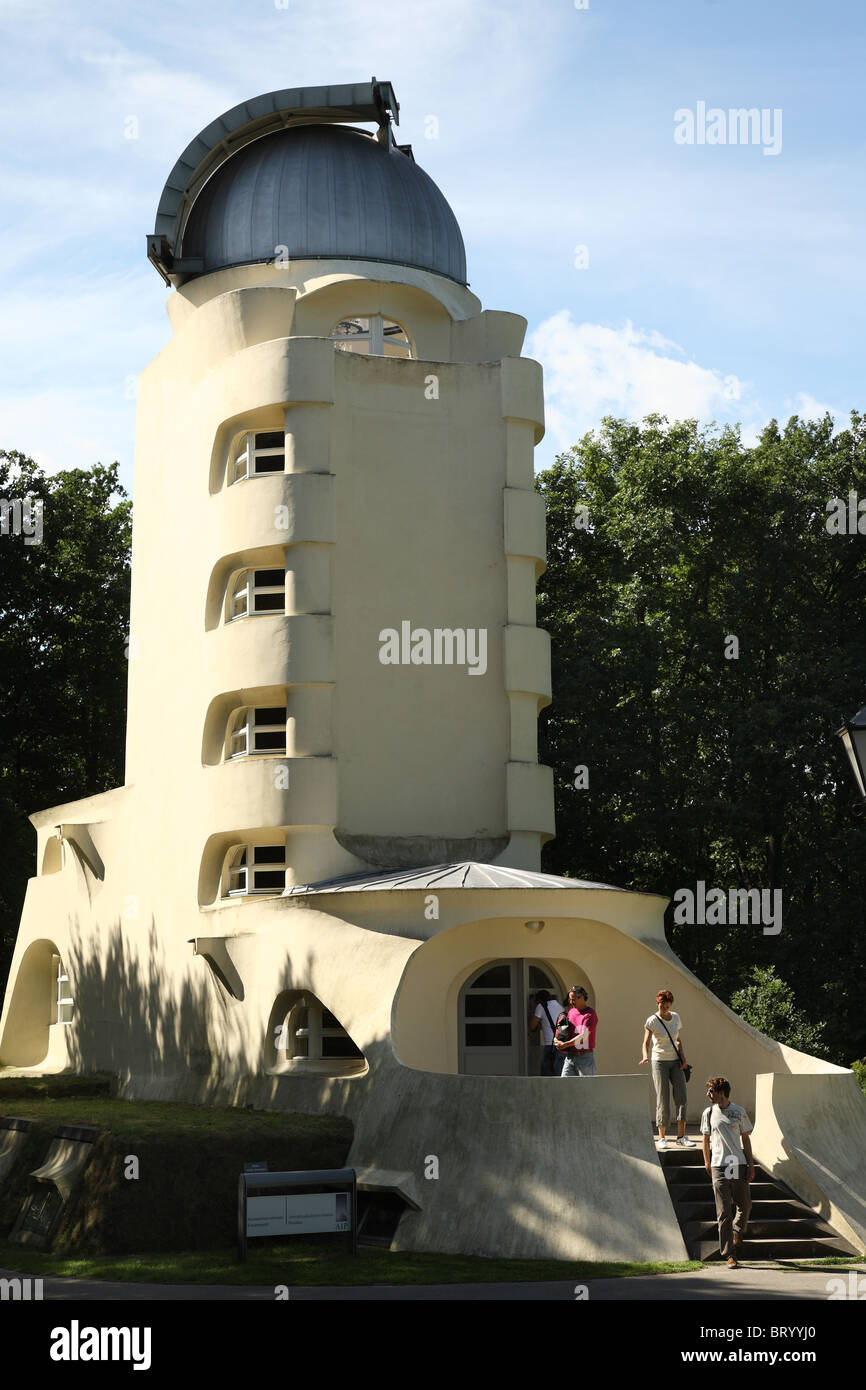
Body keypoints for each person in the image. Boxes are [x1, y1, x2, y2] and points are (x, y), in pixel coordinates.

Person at [700, 1075, 755, 1269]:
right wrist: (707, 1162)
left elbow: (745, 1139)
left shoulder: (738, 1111)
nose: (708, 1094)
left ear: (721, 1092)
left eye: (711, 1091)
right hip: (718, 1165)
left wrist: (750, 1164)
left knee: (745, 1205)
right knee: (724, 1212)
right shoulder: (708, 1113)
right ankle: (729, 1254)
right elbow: (705, 1140)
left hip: (736, 1164)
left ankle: (737, 1232)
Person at [640, 989, 694, 1149]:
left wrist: (684, 1059)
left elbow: (678, 1040)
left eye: (667, 1006)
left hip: (675, 1061)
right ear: (657, 1003)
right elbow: (646, 1043)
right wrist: (645, 1056)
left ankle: (681, 1136)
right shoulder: (652, 1020)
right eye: (662, 1005)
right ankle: (662, 1137)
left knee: (681, 1097)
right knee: (663, 1099)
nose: (665, 1008)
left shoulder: (676, 1017)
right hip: (659, 1062)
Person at [555, 985, 598, 1076]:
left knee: (585, 1088)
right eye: (570, 999)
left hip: (585, 1057)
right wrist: (557, 1040)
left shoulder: (590, 1014)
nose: (571, 1002)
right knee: (565, 1086)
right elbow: (565, 1030)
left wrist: (565, 1044)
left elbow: (583, 1036)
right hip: (570, 1057)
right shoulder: (571, 1012)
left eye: (573, 999)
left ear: (581, 998)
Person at [529, 988, 565, 1075]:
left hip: (550, 1046)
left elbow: (532, 1026)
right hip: (562, 1045)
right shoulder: (560, 1007)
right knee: (559, 1074)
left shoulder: (541, 1007)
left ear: (539, 1000)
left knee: (547, 1076)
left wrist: (533, 1008)